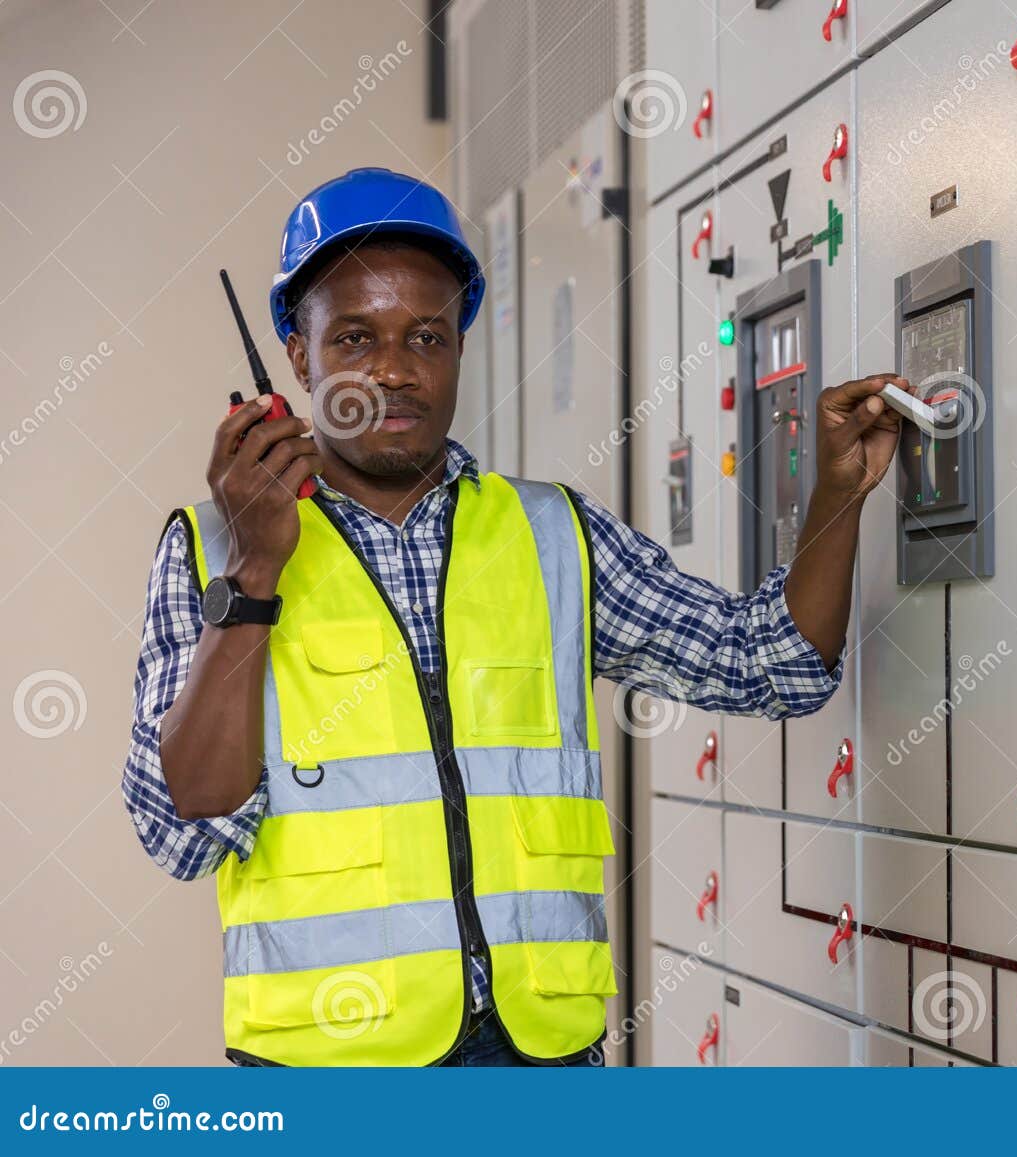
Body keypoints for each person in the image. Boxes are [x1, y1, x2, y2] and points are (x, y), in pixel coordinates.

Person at [120, 167, 906, 1067]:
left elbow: (774, 664)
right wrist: (256, 568)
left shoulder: (554, 534)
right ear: (298, 358)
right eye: (354, 337)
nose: (393, 370)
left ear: (460, 344)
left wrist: (837, 493)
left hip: (543, 1062)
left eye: (426, 335)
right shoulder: (210, 549)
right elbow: (181, 830)